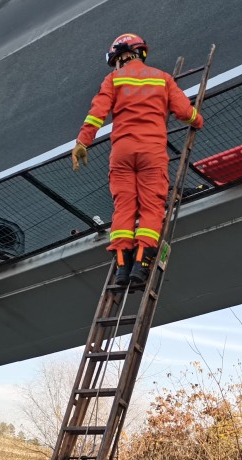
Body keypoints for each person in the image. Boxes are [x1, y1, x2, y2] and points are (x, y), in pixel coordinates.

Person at [72, 34, 204, 288]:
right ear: (140, 53)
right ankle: (141, 263)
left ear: (119, 58)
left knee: (123, 208)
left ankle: (122, 266)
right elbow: (184, 113)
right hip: (151, 151)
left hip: (122, 152)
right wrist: (198, 120)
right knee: (151, 206)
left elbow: (97, 114)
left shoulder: (113, 79)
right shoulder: (163, 78)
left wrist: (82, 143)